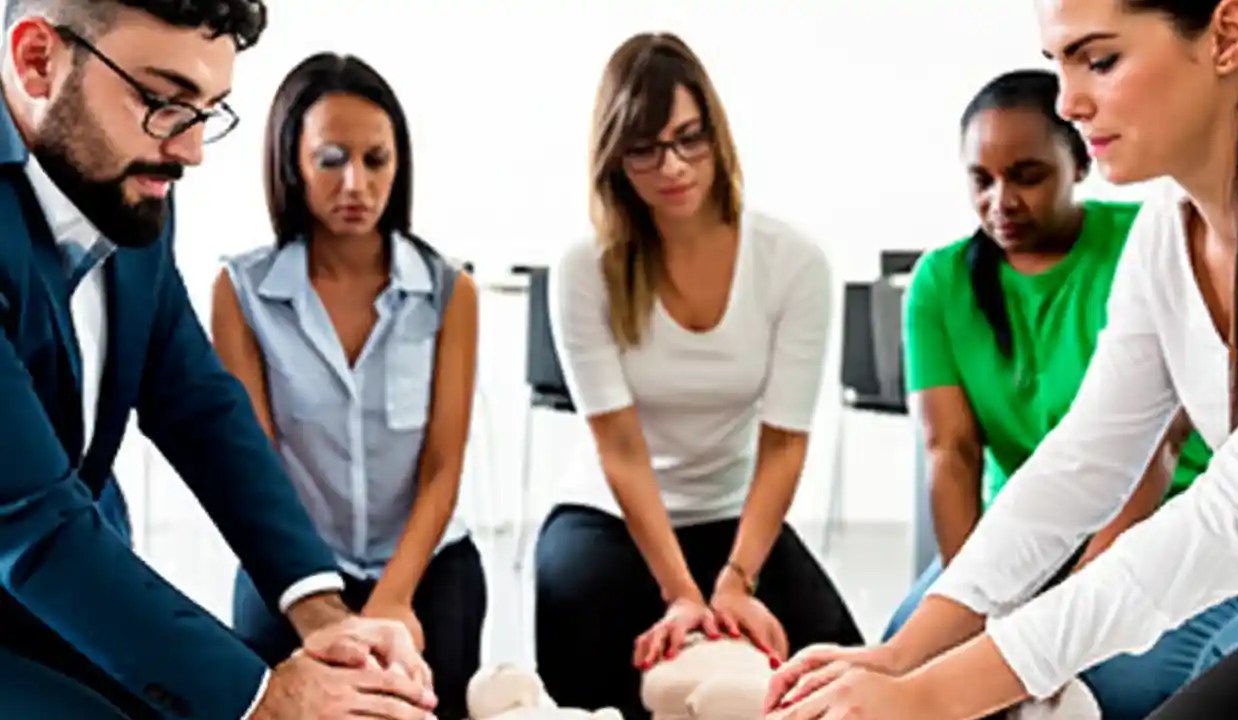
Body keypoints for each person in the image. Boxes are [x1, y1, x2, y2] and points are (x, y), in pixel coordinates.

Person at [763, 0, 1238, 717]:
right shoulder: (1167, 230)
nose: (1068, 103)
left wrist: (931, 696)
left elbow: (1235, 517)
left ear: (1227, 35)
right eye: (1059, 66)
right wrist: (903, 654)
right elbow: (1085, 459)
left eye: (1100, 61)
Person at [0, 1, 434, 718]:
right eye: (164, 102)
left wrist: (325, 612)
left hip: (72, 586)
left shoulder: (126, 185)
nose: (191, 148)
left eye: (207, 110)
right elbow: (33, 519)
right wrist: (266, 698)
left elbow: (198, 404)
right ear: (38, 59)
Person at [879, 67, 1238, 718]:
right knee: (909, 648)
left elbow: (1148, 454)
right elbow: (956, 455)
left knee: (1118, 690)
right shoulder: (940, 281)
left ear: (1078, 164)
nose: (1002, 201)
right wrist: (959, 610)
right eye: (982, 180)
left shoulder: (1141, 239)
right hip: (1031, 533)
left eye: (1027, 175)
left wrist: (1063, 621)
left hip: (1158, 531)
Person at [536, 31, 861, 719]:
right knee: (581, 619)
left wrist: (735, 581)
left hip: (732, 510)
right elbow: (620, 449)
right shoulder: (583, 269)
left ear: (717, 134)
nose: (673, 167)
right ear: (615, 158)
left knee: (833, 662)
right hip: (610, 512)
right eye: (645, 149)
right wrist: (682, 591)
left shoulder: (793, 263)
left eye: (689, 139)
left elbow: (783, 444)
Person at [211, 51, 485, 720]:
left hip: (425, 566)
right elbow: (257, 466)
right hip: (289, 567)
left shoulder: (451, 292)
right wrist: (319, 607)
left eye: (376, 159)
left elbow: (443, 467)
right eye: (331, 159)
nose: (355, 183)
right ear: (292, 164)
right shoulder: (241, 293)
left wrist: (392, 599)